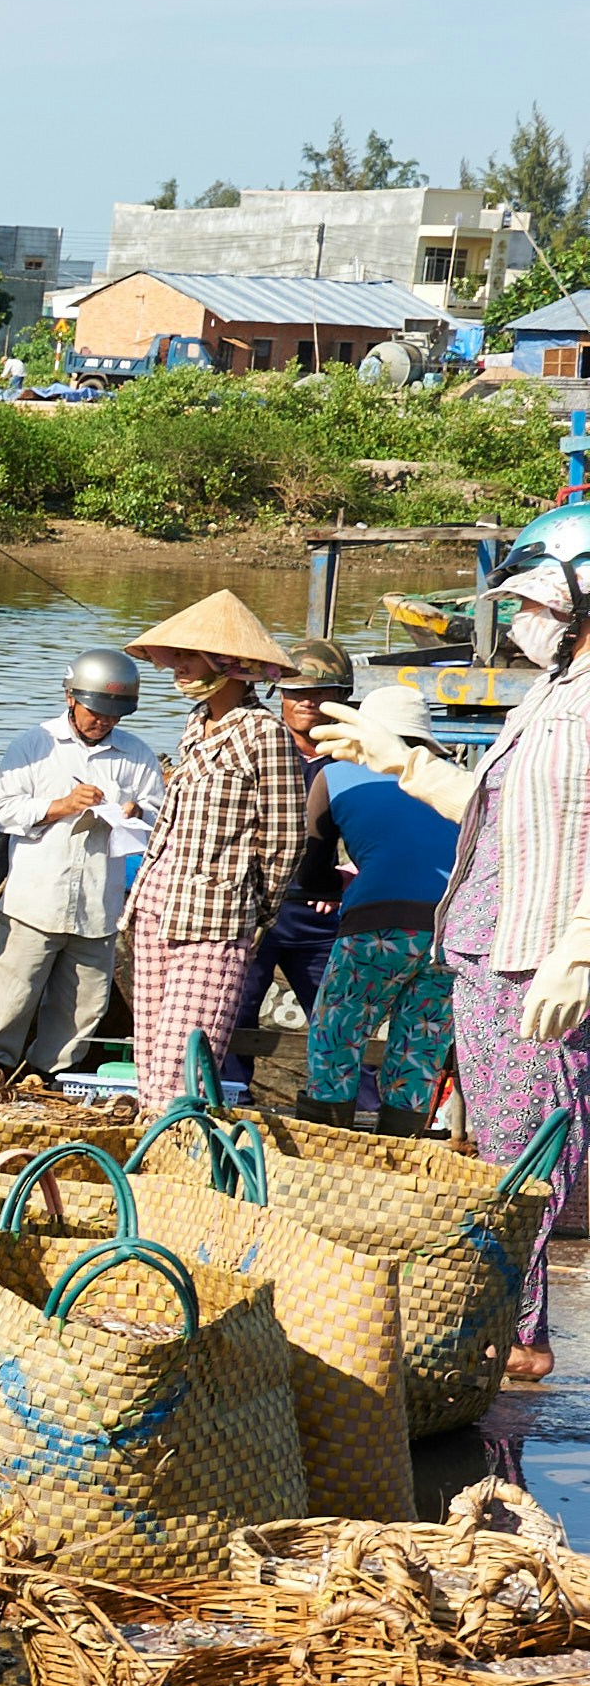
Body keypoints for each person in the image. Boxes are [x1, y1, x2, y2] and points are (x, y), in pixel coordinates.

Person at [316, 515, 590, 1376]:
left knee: (535, 1152)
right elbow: (499, 815)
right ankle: (513, 1324)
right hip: (484, 944)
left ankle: (516, 1334)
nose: (519, 621)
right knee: (503, 1153)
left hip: (542, 957)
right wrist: (401, 763)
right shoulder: (549, 692)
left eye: (535, 603)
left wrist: (582, 948)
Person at [120, 590, 311, 1113]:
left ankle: (178, 1150)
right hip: (158, 901)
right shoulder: (195, 725)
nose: (177, 668)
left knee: (186, 1058)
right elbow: (173, 823)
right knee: (151, 1050)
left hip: (217, 912)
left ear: (228, 664)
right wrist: (138, 900)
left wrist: (258, 910)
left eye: (189, 657)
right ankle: (146, 1152)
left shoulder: (263, 733)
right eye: (176, 656)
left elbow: (284, 837)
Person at [0, 651, 159, 1080]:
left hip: (98, 906)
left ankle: (49, 1079)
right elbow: (0, 811)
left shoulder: (137, 754)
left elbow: (159, 815)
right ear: (71, 697)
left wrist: (136, 812)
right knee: (13, 996)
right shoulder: (34, 745)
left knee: (84, 1006)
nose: (104, 721)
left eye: (114, 714)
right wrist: (59, 806)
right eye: (96, 712)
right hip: (37, 900)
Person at [302, 682, 457, 1132]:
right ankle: (400, 1157)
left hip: (376, 926)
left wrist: (332, 887)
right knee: (421, 1048)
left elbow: (312, 865)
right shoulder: (448, 778)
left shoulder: (334, 775)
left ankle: (322, 1149)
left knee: (338, 1036)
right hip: (449, 932)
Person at [255, 634, 357, 1020]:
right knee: (236, 1016)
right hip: (261, 907)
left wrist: (351, 873)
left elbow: (384, 834)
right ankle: (231, 1084)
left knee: (337, 1022)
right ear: (278, 694)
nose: (307, 702)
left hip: (325, 914)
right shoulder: (260, 751)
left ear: (342, 695)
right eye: (296, 692)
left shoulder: (358, 754)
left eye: (320, 692)